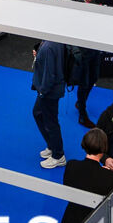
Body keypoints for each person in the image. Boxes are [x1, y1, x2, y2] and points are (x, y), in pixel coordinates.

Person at [60, 128, 113, 223]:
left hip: (72, 220)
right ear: (104, 148)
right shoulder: (110, 177)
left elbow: (72, 183)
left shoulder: (71, 165)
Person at [33, 40, 70, 168]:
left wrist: (42, 92)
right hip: (50, 89)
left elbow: (50, 74)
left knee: (51, 122)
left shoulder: (49, 46)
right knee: (38, 113)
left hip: (48, 91)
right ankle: (53, 146)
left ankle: (58, 156)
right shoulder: (52, 42)